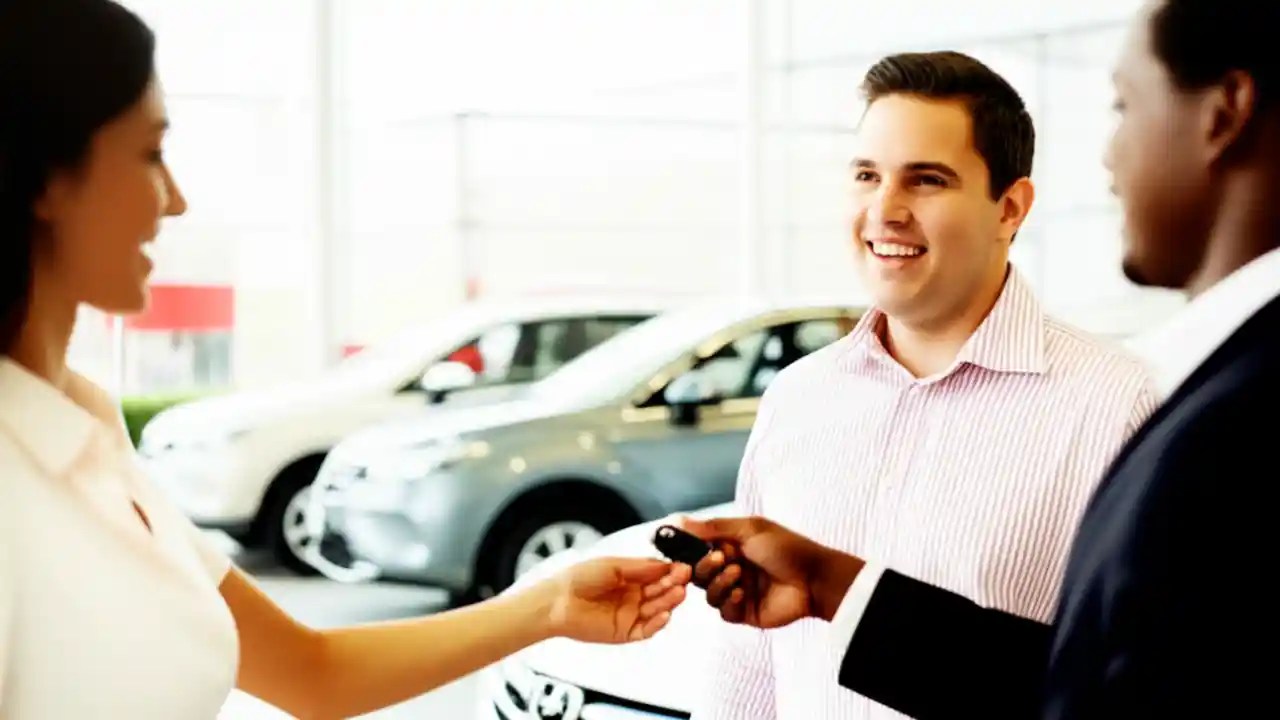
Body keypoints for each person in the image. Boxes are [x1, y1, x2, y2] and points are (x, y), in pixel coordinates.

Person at [0, 2, 691, 718]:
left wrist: (549, 605)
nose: (175, 200)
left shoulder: (86, 432)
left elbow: (311, 673)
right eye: (149, 153)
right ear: (48, 175)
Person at [685, 1, 1279, 717]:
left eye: (926, 179)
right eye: (867, 175)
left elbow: (1097, 681)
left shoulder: (1122, 403)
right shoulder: (795, 398)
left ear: (1011, 208)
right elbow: (749, 666)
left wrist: (836, 587)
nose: (886, 209)